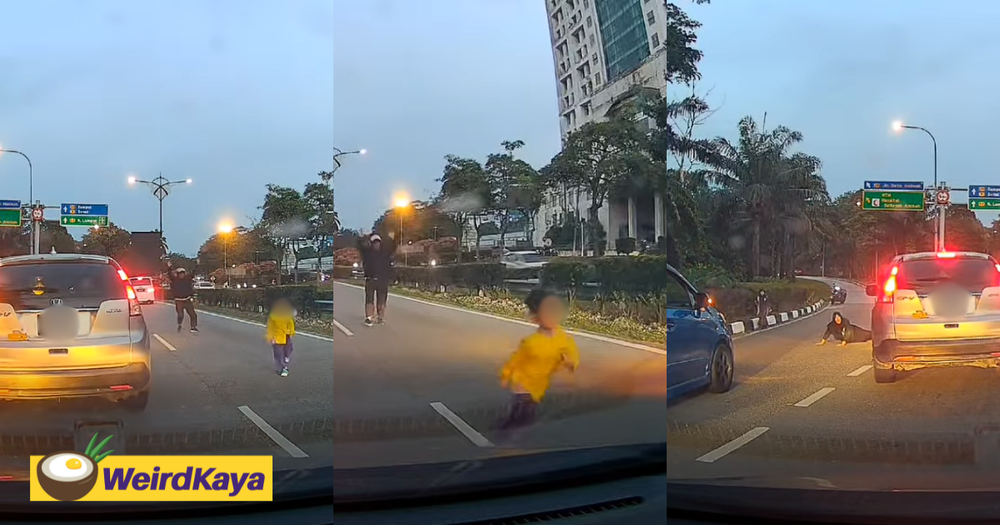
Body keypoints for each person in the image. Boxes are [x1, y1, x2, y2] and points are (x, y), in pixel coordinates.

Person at [496, 290, 580, 444]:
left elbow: (573, 357)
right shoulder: (530, 342)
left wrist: (570, 363)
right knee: (524, 417)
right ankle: (509, 443)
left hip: (539, 386)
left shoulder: (564, 340)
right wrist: (506, 375)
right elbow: (515, 360)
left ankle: (504, 428)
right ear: (537, 318)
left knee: (519, 415)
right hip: (522, 385)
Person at [356, 233, 394, 327]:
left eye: (378, 242)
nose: (376, 244)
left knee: (382, 300)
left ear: (380, 243)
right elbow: (359, 244)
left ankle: (380, 317)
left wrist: (391, 238)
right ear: (371, 243)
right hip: (370, 279)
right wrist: (365, 238)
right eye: (374, 242)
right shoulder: (367, 253)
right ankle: (369, 317)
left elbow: (393, 250)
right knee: (369, 299)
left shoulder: (385, 253)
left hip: (383, 280)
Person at [266, 298, 296, 377]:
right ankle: (283, 368)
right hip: (276, 337)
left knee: (289, 349)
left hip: (286, 336)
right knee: (278, 353)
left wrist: (291, 333)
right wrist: (270, 337)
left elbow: (291, 324)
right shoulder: (273, 316)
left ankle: (286, 357)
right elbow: (270, 327)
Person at [165, 261, 198, 333]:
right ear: (177, 274)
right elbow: (170, 274)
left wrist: (197, 264)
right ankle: (179, 324)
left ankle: (193, 327)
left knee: (193, 314)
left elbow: (193, 273)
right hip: (179, 300)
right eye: (180, 273)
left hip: (187, 299)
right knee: (180, 315)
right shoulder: (175, 280)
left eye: (182, 273)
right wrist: (169, 267)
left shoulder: (187, 279)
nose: (181, 275)